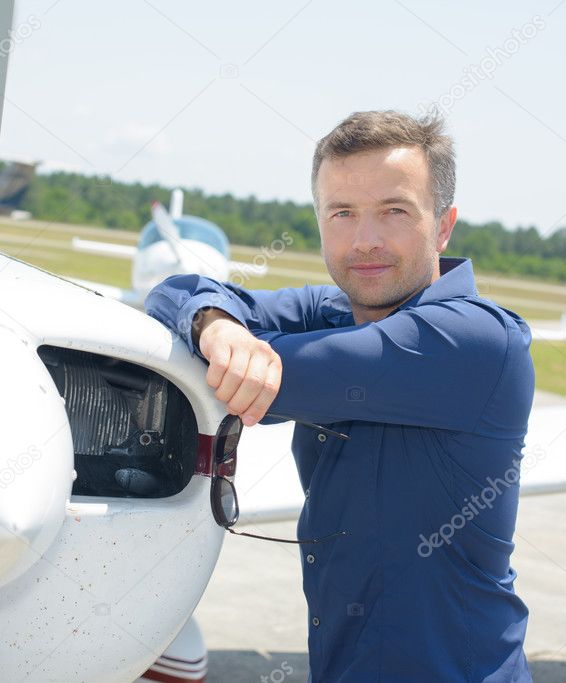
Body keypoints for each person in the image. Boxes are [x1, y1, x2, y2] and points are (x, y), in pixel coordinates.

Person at [144, 111, 535, 682]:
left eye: (395, 212)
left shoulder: (473, 340)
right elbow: (172, 292)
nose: (366, 240)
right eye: (343, 213)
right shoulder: (327, 312)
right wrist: (215, 324)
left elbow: (273, 373)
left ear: (444, 225)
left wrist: (227, 342)